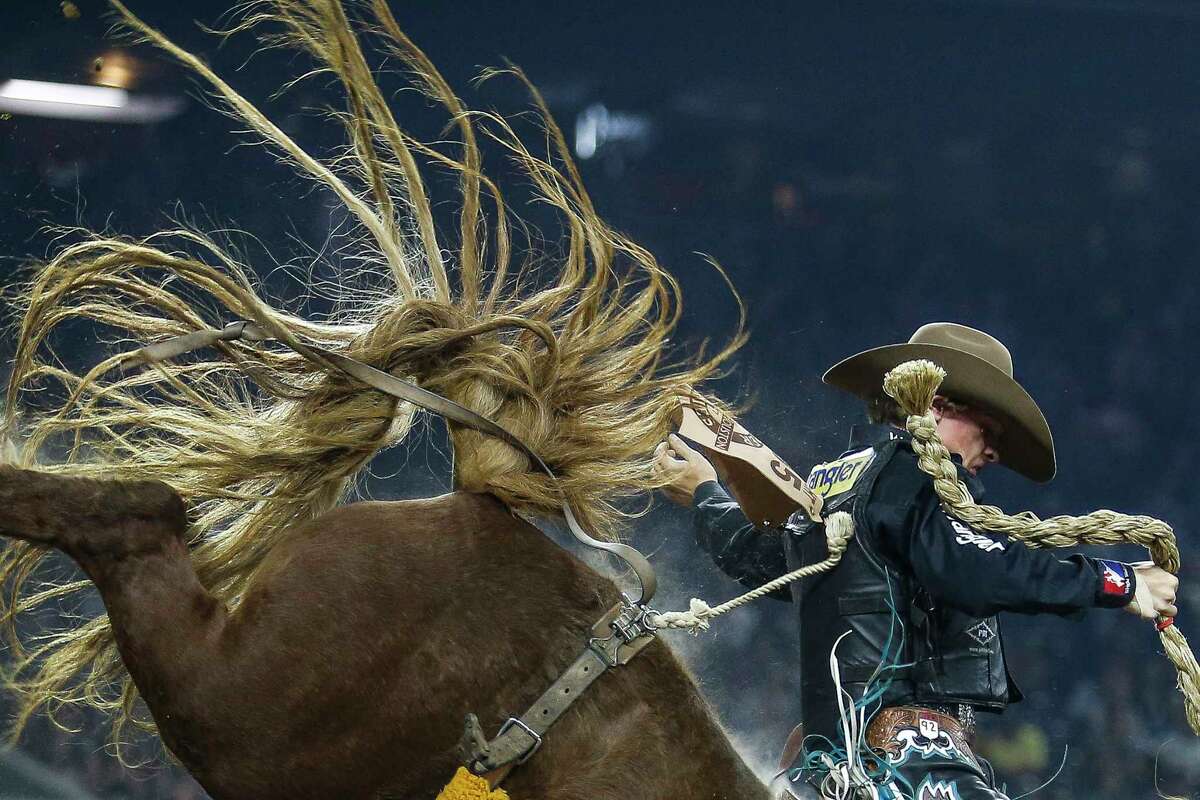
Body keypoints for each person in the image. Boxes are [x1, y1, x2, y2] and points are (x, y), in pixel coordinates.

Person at [655, 322, 1180, 800]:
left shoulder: (837, 482)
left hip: (831, 768)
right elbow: (977, 569)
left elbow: (764, 561)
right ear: (936, 408)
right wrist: (1119, 582)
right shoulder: (913, 477)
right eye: (989, 430)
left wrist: (707, 496)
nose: (993, 452)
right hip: (913, 764)